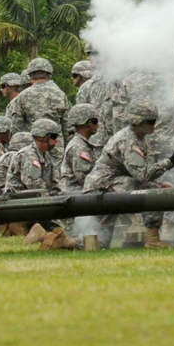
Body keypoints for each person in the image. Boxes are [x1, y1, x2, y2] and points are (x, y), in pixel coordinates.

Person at [84, 101, 174, 249]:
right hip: (103, 186)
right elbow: (142, 175)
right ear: (138, 121)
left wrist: (158, 182)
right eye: (150, 121)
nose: (154, 124)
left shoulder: (136, 137)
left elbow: (137, 171)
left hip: (107, 184)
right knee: (154, 192)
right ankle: (152, 239)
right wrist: (172, 160)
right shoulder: (129, 140)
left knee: (100, 243)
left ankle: (60, 241)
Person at [59, 103, 104, 249]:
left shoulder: (80, 144)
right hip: (77, 199)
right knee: (88, 243)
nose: (97, 125)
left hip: (79, 197)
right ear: (85, 124)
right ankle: (56, 240)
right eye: (94, 121)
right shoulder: (79, 147)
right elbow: (85, 179)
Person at [7, 57, 70, 134]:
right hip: (56, 143)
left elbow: (16, 128)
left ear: (30, 75)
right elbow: (67, 126)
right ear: (48, 74)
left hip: (32, 143)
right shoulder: (60, 95)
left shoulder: (22, 96)